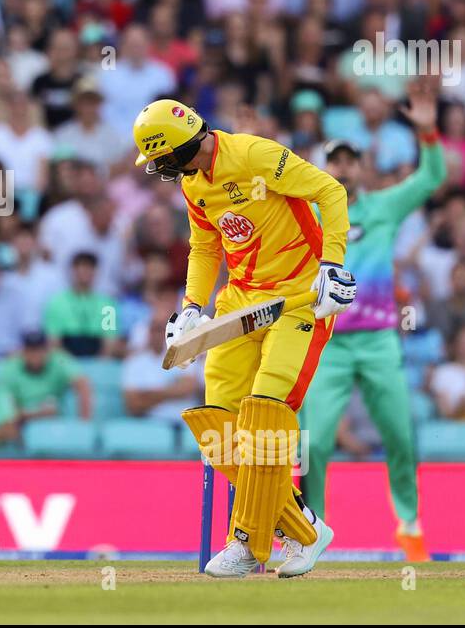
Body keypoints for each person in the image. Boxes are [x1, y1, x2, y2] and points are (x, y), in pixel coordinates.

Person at [133, 97, 354, 578]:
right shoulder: (194, 184)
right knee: (216, 425)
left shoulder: (255, 155)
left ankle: (246, 542)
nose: (161, 170)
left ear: (175, 149)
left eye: (160, 160)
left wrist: (333, 264)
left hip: (299, 297)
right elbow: (205, 245)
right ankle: (305, 529)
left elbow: (330, 191)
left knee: (266, 410)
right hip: (240, 304)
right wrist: (192, 306)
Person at [299, 76, 445, 562]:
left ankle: (410, 524)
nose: (341, 168)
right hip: (329, 343)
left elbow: (430, 179)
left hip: (380, 339)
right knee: (315, 444)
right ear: (323, 169)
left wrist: (427, 134)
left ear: (360, 168)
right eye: (333, 161)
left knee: (400, 435)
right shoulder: (309, 217)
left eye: (348, 161)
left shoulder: (383, 205)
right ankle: (310, 533)